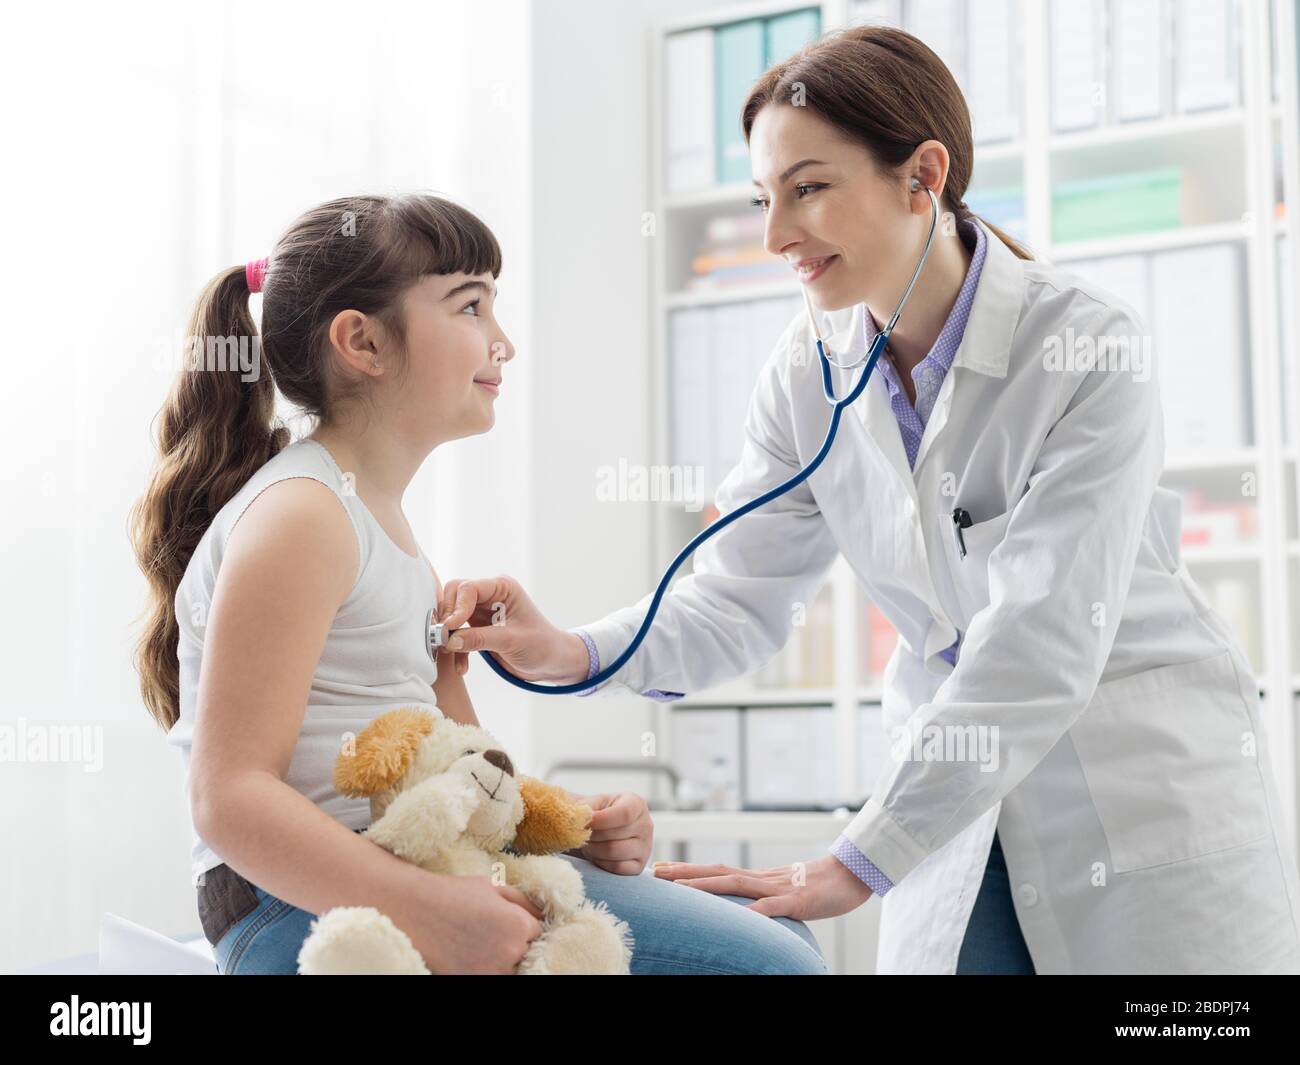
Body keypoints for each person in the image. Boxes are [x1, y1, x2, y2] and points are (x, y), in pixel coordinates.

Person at [435, 27, 1300, 975]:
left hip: (1136, 803)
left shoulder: (1085, 345)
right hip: (950, 816)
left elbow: (1043, 640)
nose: (775, 237)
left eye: (808, 188)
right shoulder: (806, 373)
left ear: (921, 174)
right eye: (764, 199)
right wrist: (569, 648)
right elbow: (735, 593)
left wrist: (855, 860)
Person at [130, 193, 826, 975]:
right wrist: (421, 906)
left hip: (406, 868)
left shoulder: (378, 526)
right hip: (300, 909)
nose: (504, 344)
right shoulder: (303, 516)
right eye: (470, 306)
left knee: (788, 939)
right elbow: (227, 798)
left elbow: (467, 768)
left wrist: (564, 823)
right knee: (779, 967)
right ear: (363, 341)